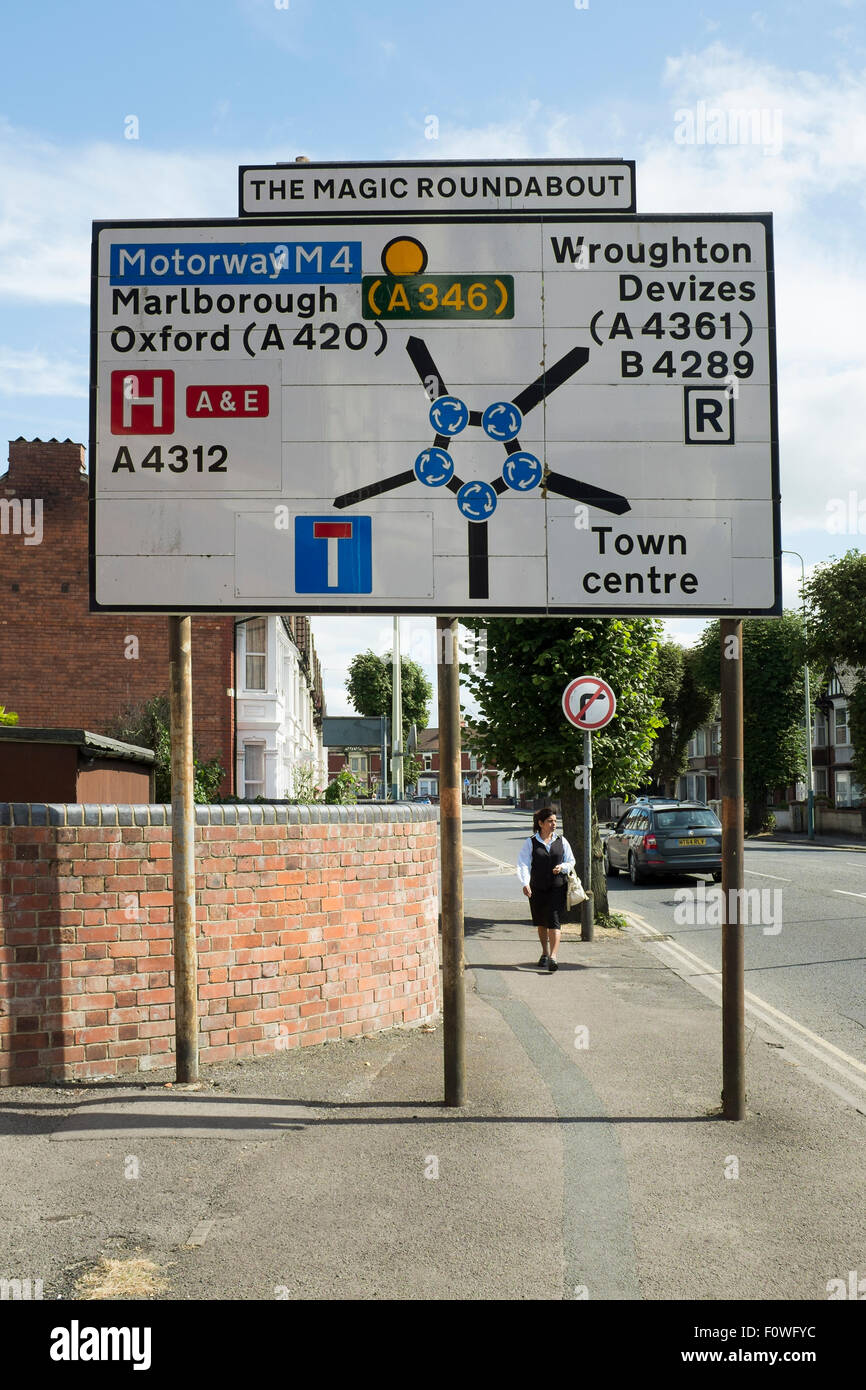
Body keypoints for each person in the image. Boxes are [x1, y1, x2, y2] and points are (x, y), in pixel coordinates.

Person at [516, 806, 575, 972]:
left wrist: (562, 867)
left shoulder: (562, 841)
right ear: (541, 823)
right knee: (541, 921)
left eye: (555, 821)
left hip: (557, 887)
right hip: (537, 888)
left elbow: (571, 861)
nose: (554, 824)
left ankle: (553, 957)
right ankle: (544, 952)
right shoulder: (531, 842)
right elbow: (523, 864)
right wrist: (525, 883)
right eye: (550, 821)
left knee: (554, 921)